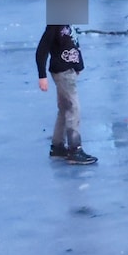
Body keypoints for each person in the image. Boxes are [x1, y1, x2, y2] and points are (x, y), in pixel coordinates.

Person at [36, 24, 97, 165]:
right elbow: (42, 50)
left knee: (64, 108)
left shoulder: (68, 24)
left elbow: (73, 45)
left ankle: (57, 146)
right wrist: (42, 76)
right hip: (62, 72)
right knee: (73, 108)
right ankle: (75, 149)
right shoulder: (54, 25)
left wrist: (79, 66)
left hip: (69, 71)